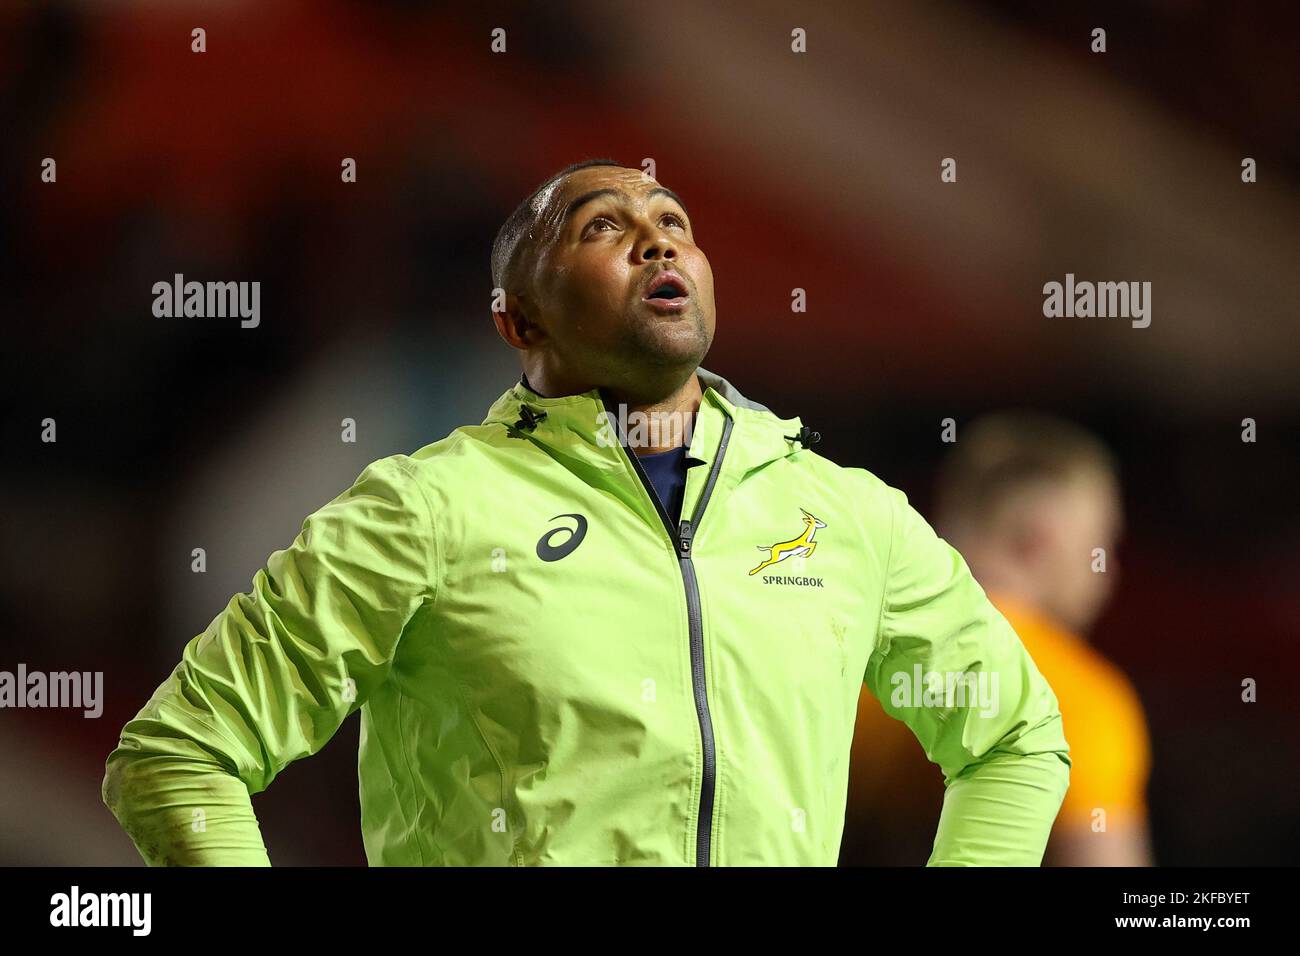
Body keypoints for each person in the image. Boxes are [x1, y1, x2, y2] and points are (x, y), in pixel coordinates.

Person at [102, 159, 1070, 866]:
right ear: (519, 320)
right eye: (602, 226)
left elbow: (1015, 736)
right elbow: (178, 754)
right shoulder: (424, 510)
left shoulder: (845, 512)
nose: (658, 238)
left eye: (674, 220)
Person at [845, 412, 1151, 866]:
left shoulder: (845, 651)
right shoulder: (1074, 698)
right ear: (1039, 539)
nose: (1109, 572)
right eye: (1102, 543)